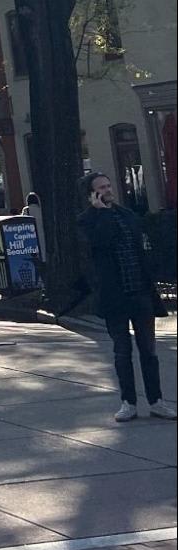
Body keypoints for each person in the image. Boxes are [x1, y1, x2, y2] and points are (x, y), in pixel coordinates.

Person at [79, 173, 176, 422]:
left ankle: (156, 401)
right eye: (101, 188)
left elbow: (142, 246)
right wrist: (100, 212)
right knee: (122, 352)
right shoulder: (88, 221)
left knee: (149, 352)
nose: (108, 190)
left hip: (140, 293)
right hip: (115, 297)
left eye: (109, 185)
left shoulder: (127, 215)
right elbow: (100, 242)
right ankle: (128, 402)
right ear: (91, 194)